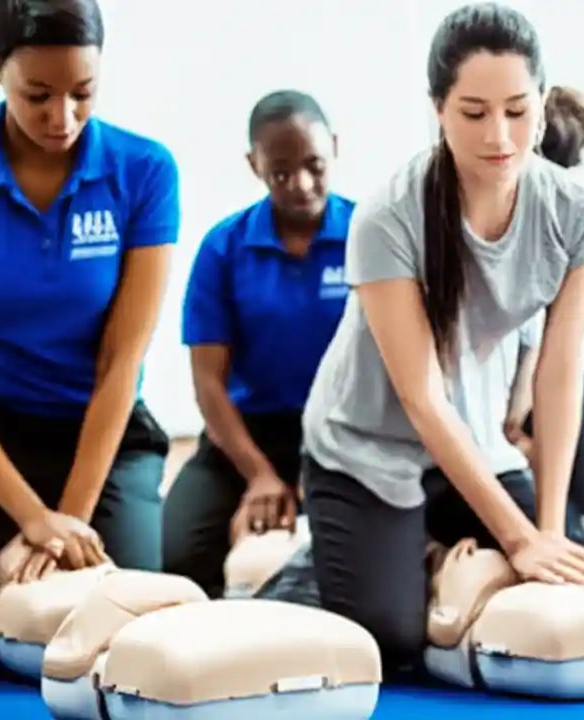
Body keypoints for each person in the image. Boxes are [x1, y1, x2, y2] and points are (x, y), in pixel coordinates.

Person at [299, 3, 584, 676]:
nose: (499, 134)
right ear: (438, 111)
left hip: (475, 443)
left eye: (517, 109)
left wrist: (544, 531)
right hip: (368, 449)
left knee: (570, 577)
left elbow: (560, 376)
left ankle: (432, 542)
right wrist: (514, 538)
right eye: (474, 113)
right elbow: (420, 396)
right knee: (392, 641)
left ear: (542, 101)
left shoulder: (575, 214)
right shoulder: (387, 216)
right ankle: (330, 559)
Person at [0, 0, 177, 675]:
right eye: (38, 95)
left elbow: (120, 363)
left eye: (83, 94)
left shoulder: (144, 171)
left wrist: (63, 529)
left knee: (127, 633)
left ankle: (23, 581)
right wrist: (31, 515)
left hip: (101, 435)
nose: (63, 119)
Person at [163, 90, 353, 599]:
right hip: (247, 436)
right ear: (255, 165)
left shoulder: (367, 236)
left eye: (315, 165)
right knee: (178, 552)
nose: (302, 185)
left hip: (346, 429)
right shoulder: (224, 248)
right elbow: (208, 383)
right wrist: (262, 476)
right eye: (281, 172)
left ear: (335, 147)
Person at [504, 85, 584, 549]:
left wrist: (528, 400)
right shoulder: (505, 216)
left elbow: (580, 342)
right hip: (505, 376)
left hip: (562, 375)